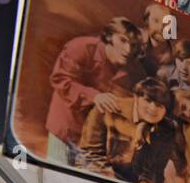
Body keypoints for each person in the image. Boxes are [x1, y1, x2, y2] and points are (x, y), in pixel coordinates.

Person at [46, 17, 145, 166]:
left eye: (133, 45)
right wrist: (95, 96)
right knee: (55, 175)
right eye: (123, 41)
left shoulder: (132, 69)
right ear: (109, 36)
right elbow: (60, 80)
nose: (128, 50)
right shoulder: (81, 47)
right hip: (65, 128)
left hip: (93, 140)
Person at [78, 77, 185, 183]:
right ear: (136, 97)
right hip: (96, 176)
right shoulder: (107, 110)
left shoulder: (166, 129)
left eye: (160, 106)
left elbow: (155, 171)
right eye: (148, 100)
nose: (153, 108)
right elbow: (89, 154)